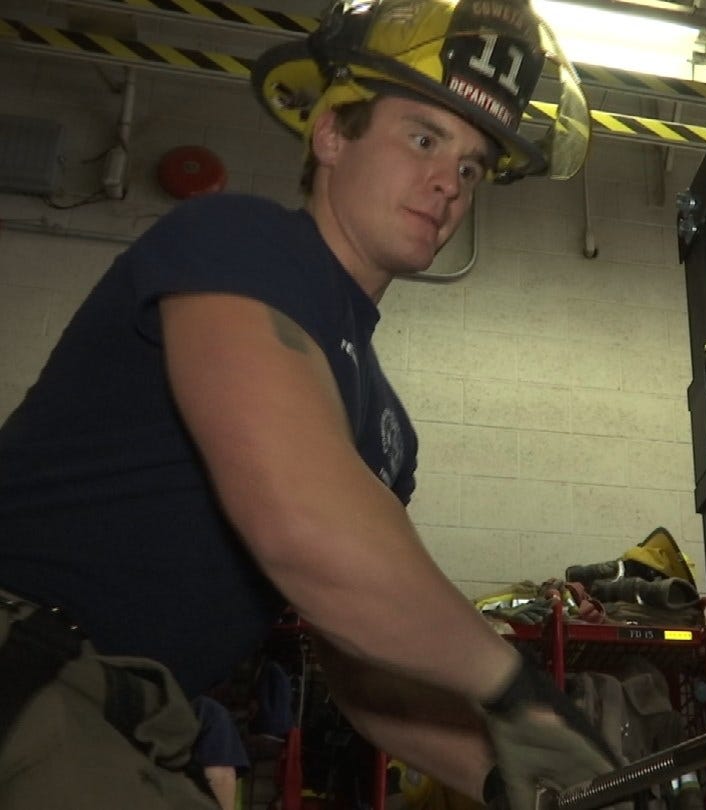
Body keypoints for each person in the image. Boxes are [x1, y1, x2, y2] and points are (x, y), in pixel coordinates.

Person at [0, 1, 613, 807]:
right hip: (28, 667)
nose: (448, 183)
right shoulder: (239, 241)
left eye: (471, 166)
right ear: (331, 133)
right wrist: (516, 685)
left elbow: (364, 667)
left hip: (132, 718)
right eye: (424, 138)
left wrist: (520, 778)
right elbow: (303, 528)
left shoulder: (383, 427)